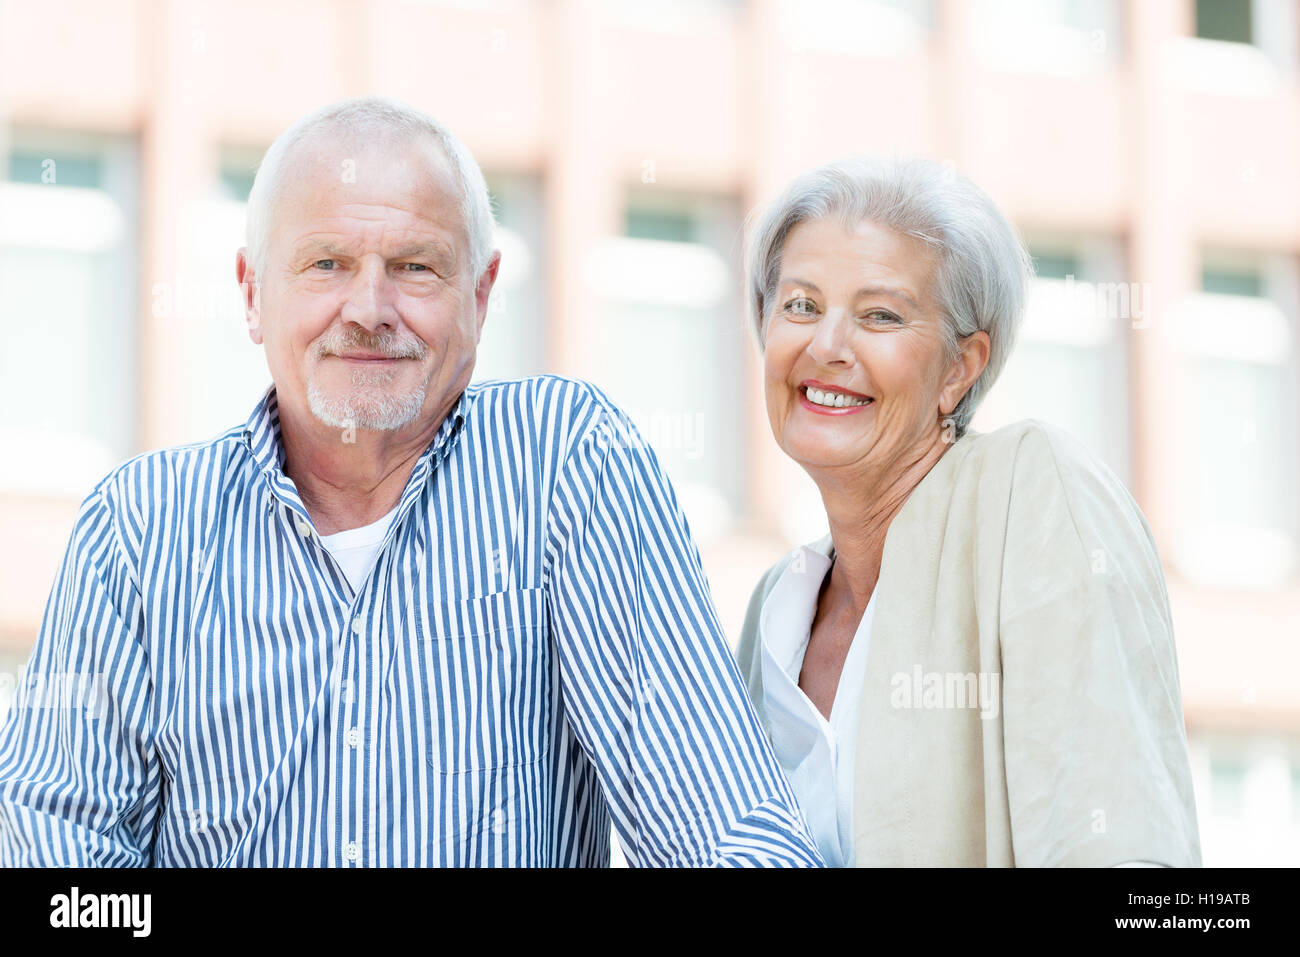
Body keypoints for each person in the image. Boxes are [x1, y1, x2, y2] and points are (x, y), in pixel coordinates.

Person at [0, 96, 822, 868]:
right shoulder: (140, 527)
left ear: (481, 294)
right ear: (253, 294)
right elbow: (56, 855)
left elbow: (726, 829)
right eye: (325, 264)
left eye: (415, 267)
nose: (368, 306)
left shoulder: (567, 466)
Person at [734, 156, 1201, 867]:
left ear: (959, 368)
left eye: (879, 315)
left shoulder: (1032, 491)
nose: (825, 346)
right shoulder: (776, 605)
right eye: (800, 305)